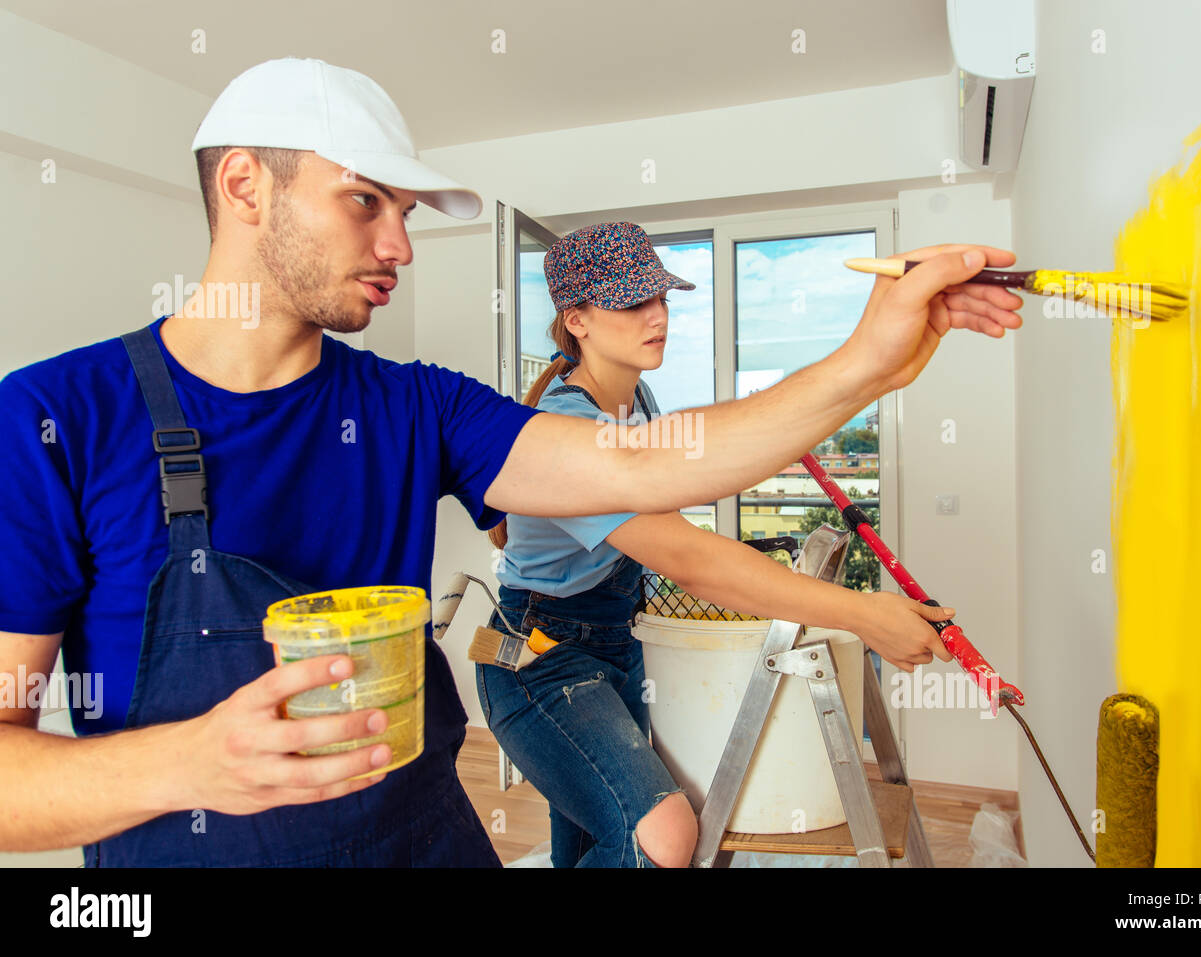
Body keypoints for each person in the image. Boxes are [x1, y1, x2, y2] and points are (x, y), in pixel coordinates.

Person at [0, 58, 1023, 867]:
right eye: (368, 203)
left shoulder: (416, 405)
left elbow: (651, 471)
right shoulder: (54, 418)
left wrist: (866, 364)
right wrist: (186, 761)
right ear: (244, 186)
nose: (401, 244)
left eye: (405, 212)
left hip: (422, 840)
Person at [478, 222, 970, 868]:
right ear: (577, 319)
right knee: (661, 836)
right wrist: (863, 613)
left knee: (590, 845)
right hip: (540, 661)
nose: (658, 315)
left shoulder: (641, 399)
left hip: (617, 642)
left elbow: (695, 481)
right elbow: (687, 556)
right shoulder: (570, 424)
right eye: (634, 302)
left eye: (661, 296)